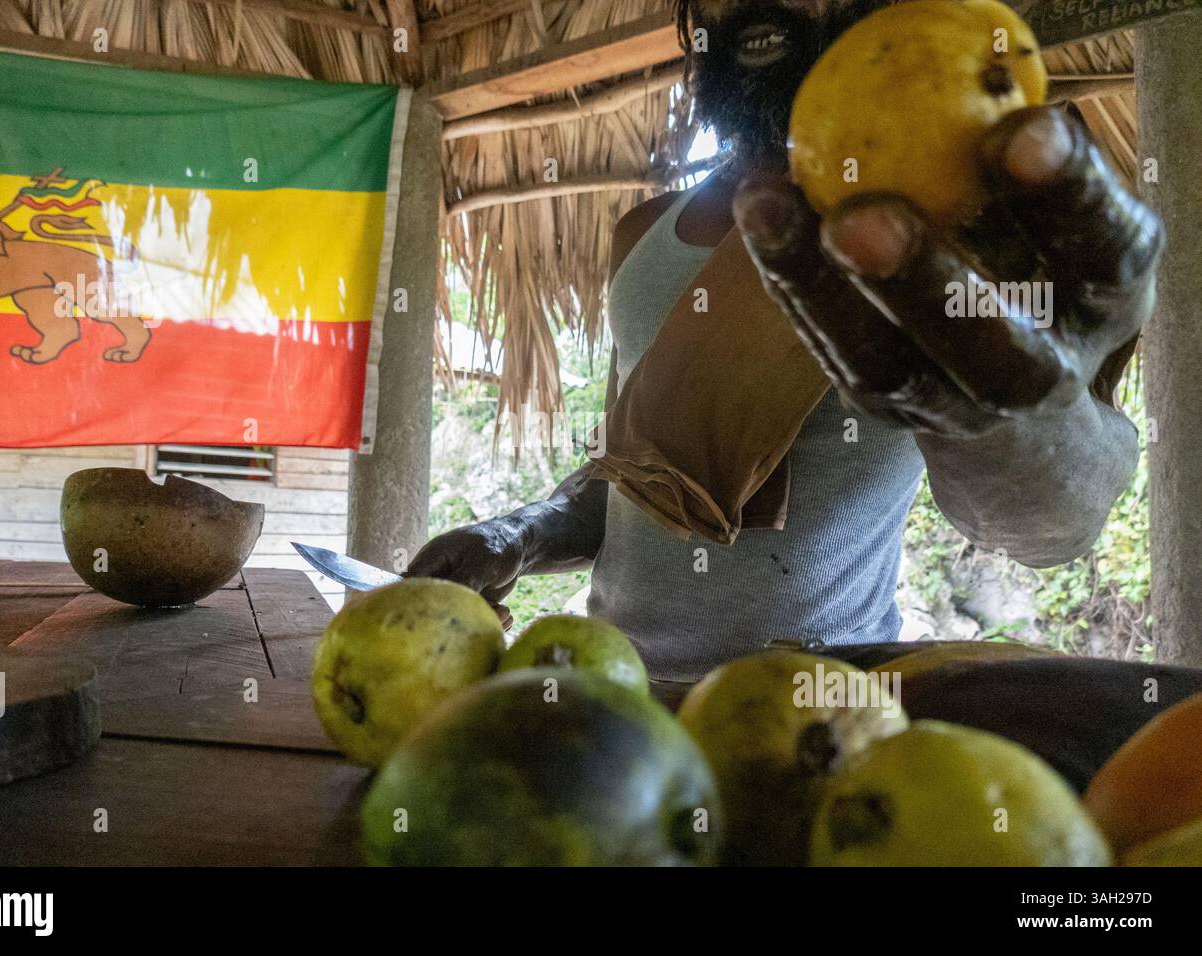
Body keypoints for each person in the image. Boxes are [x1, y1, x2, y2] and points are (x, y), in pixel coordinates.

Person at [406, 0, 1161, 682]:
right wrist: (518, 535)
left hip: (818, 717)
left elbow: (1044, 525)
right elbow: (629, 479)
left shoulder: (940, 240)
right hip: (617, 695)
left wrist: (1027, 437)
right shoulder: (643, 235)